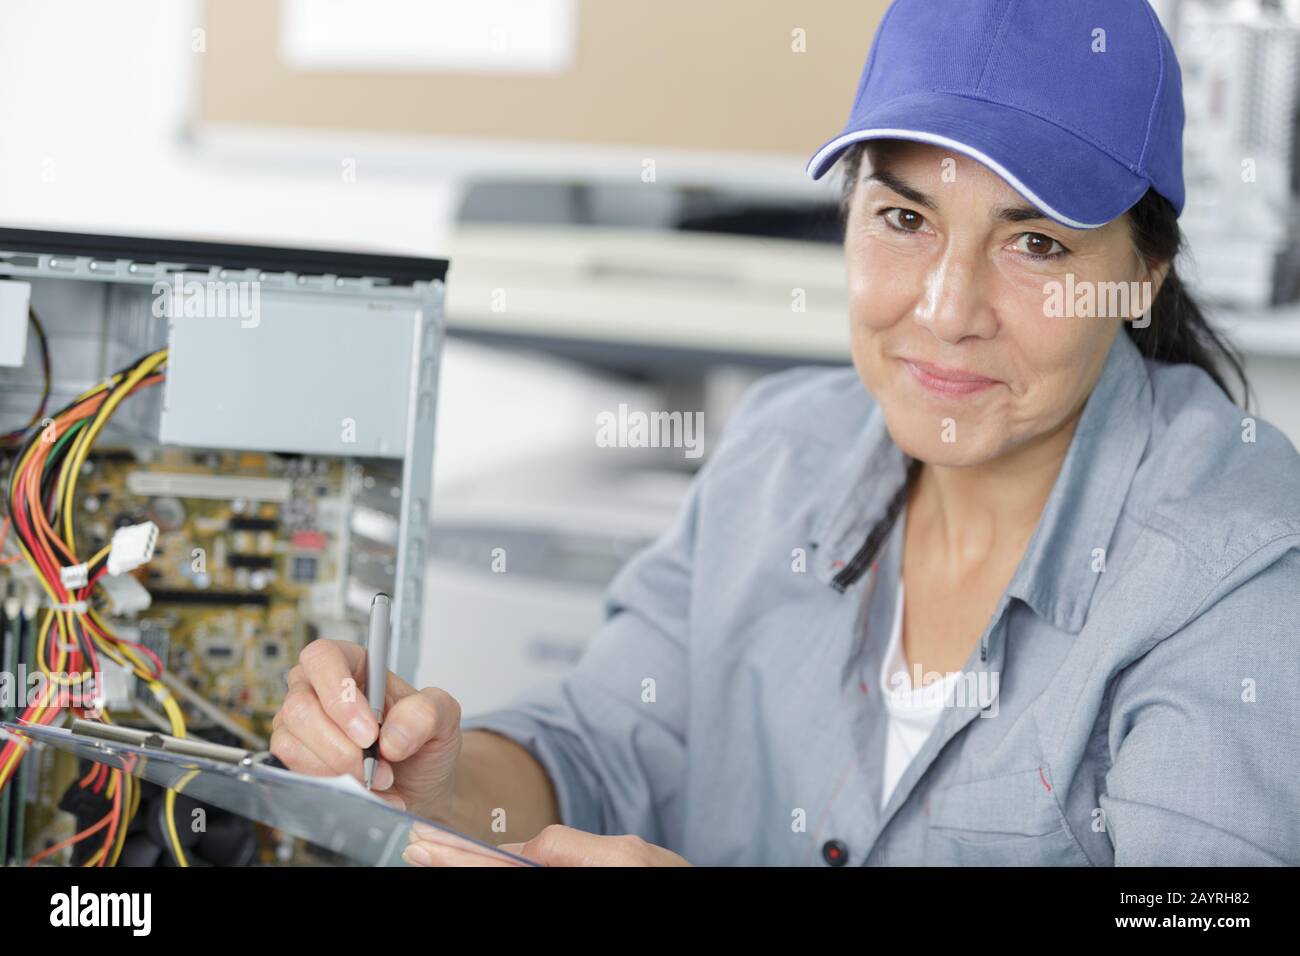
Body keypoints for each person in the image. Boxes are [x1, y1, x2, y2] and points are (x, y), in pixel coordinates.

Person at [270, 0, 1300, 865]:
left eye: (1034, 242)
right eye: (904, 220)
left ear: (1142, 277)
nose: (947, 309)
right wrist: (444, 776)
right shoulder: (780, 451)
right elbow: (604, 750)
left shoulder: (1237, 564)